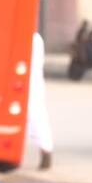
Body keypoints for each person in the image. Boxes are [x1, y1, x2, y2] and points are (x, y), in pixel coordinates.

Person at [27, 32, 55, 170]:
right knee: (37, 116)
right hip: (34, 81)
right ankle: (46, 151)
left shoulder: (32, 38)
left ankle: (46, 151)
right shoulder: (36, 38)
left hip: (30, 82)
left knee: (35, 116)